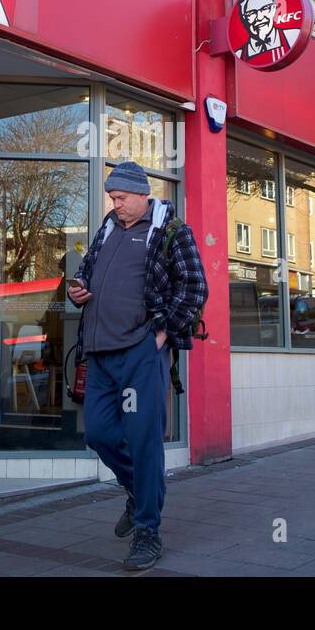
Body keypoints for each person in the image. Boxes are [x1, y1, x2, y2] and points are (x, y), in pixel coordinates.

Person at [67, 161, 207, 571]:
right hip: (100, 352)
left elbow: (196, 286)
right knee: (99, 433)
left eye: (122, 198)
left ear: (142, 193)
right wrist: (79, 289)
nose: (116, 204)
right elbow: (86, 271)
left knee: (143, 441)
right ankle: (137, 491)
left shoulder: (170, 231)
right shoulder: (108, 228)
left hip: (140, 353)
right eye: (112, 198)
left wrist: (162, 334)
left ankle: (148, 531)